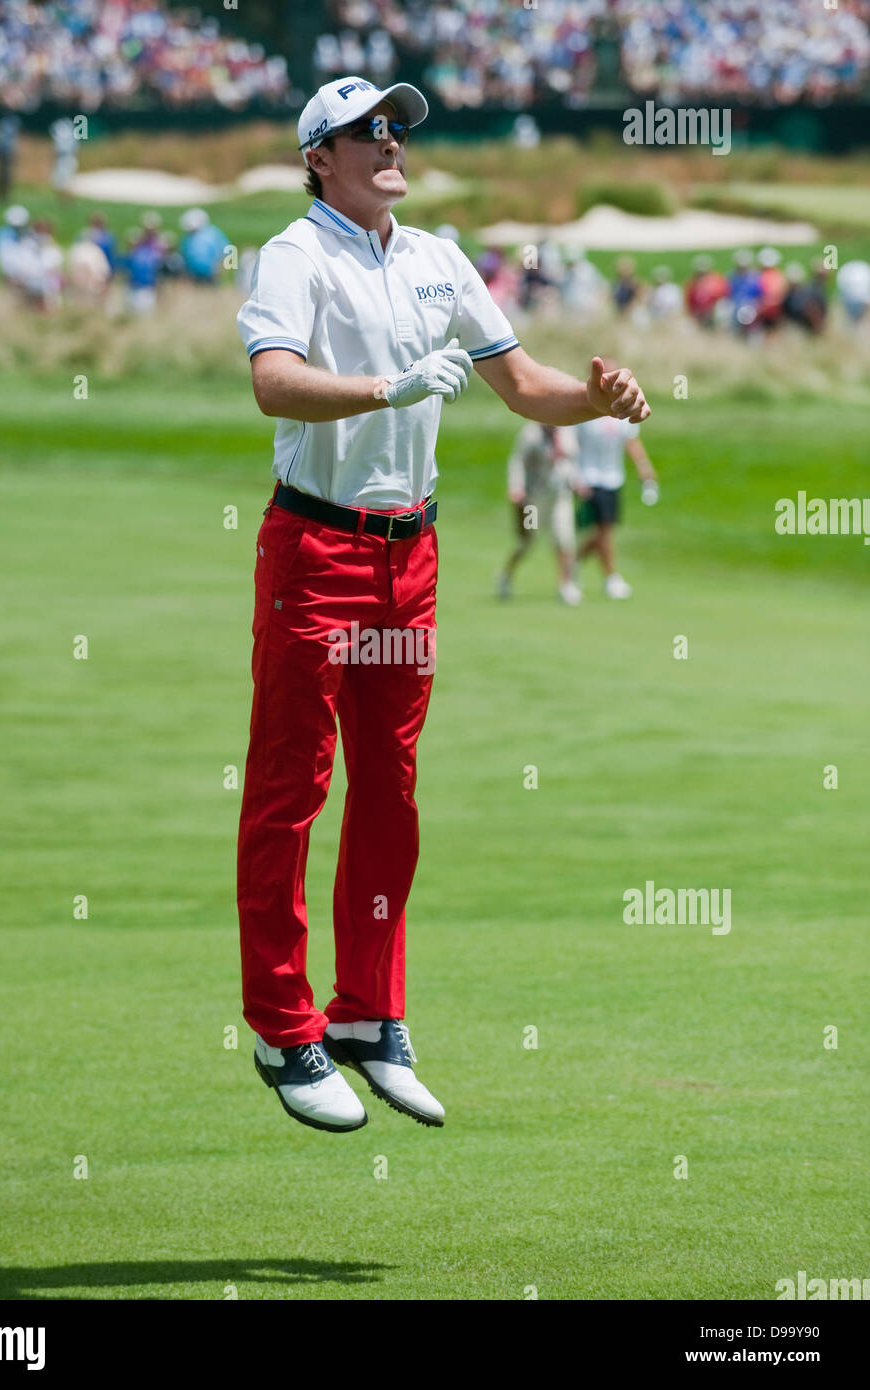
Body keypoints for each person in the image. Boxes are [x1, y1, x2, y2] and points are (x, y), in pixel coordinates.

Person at [234, 74, 650, 1134]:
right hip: (316, 544)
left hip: (406, 557)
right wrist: (389, 388)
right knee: (291, 788)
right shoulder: (295, 254)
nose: (388, 144)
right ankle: (287, 1030)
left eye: (395, 128)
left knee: (391, 790)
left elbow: (523, 384)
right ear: (318, 155)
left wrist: (594, 398)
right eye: (363, 132)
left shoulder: (435, 256)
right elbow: (274, 381)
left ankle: (369, 1017)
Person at [562, 363, 657, 599]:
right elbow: (570, 446)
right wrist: (574, 477)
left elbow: (631, 442)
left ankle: (573, 565)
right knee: (604, 531)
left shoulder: (620, 411)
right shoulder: (586, 410)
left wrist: (644, 467)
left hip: (613, 478)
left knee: (603, 531)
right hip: (588, 477)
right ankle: (611, 578)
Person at [496, 422, 585, 605]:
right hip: (533, 499)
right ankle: (505, 575)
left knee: (564, 539)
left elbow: (571, 461)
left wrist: (577, 482)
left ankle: (566, 585)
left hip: (560, 496)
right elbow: (518, 461)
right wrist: (516, 487)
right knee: (527, 541)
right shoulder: (531, 434)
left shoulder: (567, 431)